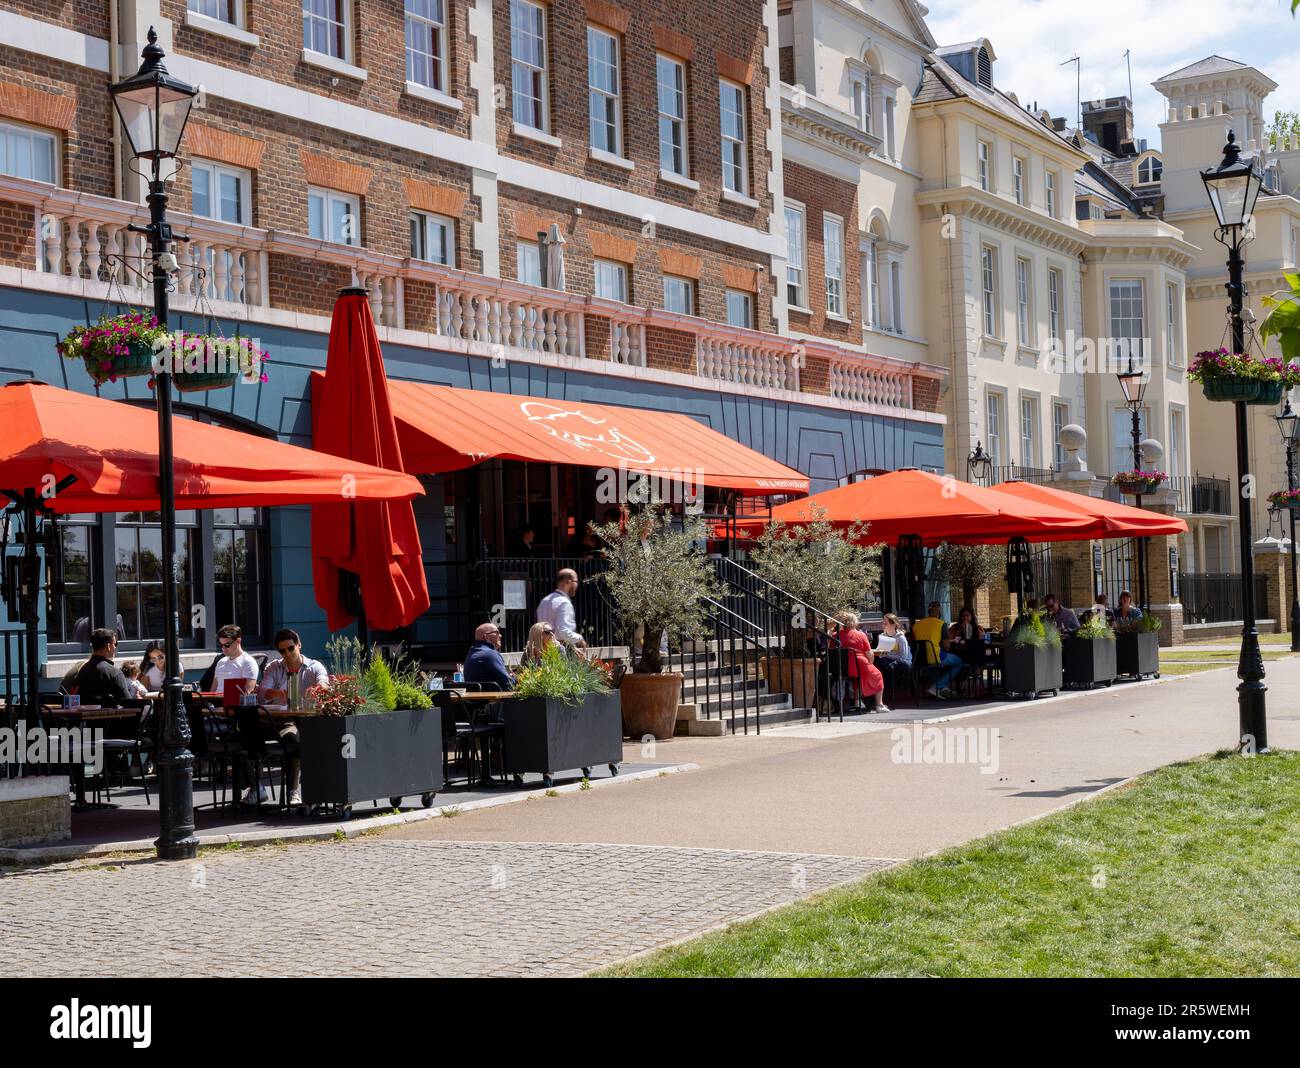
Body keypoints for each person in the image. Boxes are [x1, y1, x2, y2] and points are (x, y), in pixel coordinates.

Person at [259, 628, 331, 808]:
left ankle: (319, 789)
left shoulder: (314, 666)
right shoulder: (274, 667)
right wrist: (277, 692)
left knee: (313, 740)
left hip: (311, 720)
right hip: (285, 719)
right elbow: (262, 694)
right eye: (282, 651)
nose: (287, 654)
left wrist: (318, 689)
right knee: (292, 739)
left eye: (290, 648)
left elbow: (324, 683)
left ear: (299, 645)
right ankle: (292, 791)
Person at [830, 611, 888, 712]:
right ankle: (879, 705)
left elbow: (831, 651)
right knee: (877, 675)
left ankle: (857, 701)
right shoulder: (860, 635)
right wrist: (870, 663)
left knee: (857, 678)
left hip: (840, 668)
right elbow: (870, 655)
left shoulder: (835, 635)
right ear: (854, 622)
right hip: (859, 665)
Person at [912, 602, 963, 700]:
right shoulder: (941, 624)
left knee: (930, 668)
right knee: (958, 662)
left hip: (919, 658)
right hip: (934, 655)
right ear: (939, 612)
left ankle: (942, 688)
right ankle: (937, 686)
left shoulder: (917, 625)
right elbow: (947, 647)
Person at [72, 628, 134, 707]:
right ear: (108, 646)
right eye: (115, 644)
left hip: (85, 717)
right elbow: (128, 703)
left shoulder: (83, 670)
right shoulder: (114, 672)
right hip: (110, 717)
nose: (115, 648)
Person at [537, 569, 587, 653]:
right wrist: (579, 638)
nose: (577, 585)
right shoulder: (564, 602)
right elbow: (562, 631)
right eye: (576, 581)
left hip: (543, 649)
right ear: (568, 582)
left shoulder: (544, 601)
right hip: (559, 651)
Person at [211, 624, 260, 699]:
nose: (223, 648)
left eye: (227, 645)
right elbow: (212, 692)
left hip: (233, 707)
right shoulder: (221, 661)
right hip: (216, 706)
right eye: (221, 645)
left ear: (238, 641)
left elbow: (247, 694)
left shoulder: (248, 662)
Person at [464, 622, 515, 691]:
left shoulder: (472, 653)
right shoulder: (490, 653)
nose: (500, 635)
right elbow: (507, 682)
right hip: (491, 700)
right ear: (485, 636)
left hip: (473, 700)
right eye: (496, 632)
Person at [873, 612, 911, 692]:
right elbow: (881, 653)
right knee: (876, 661)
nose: (883, 625)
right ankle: (877, 689)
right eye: (883, 623)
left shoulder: (900, 638)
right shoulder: (883, 636)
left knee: (900, 665)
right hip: (886, 661)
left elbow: (903, 657)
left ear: (893, 625)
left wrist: (886, 654)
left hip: (899, 661)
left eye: (885, 623)